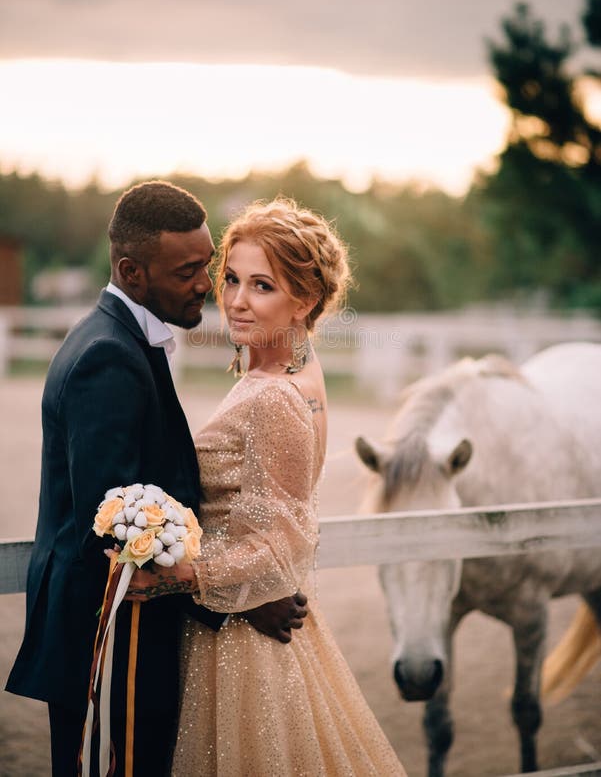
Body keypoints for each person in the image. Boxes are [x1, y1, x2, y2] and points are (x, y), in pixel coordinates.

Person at [5, 182, 308, 777]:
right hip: (113, 633)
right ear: (131, 271)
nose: (206, 285)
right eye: (189, 270)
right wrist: (238, 603)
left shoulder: (126, 340)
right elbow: (116, 524)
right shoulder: (108, 357)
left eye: (208, 266)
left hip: (128, 627)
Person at [127, 198, 406, 775]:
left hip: (240, 643)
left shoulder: (275, 395)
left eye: (261, 286)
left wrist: (184, 576)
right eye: (230, 279)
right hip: (245, 619)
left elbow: (287, 539)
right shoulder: (291, 369)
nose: (234, 300)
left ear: (303, 301)